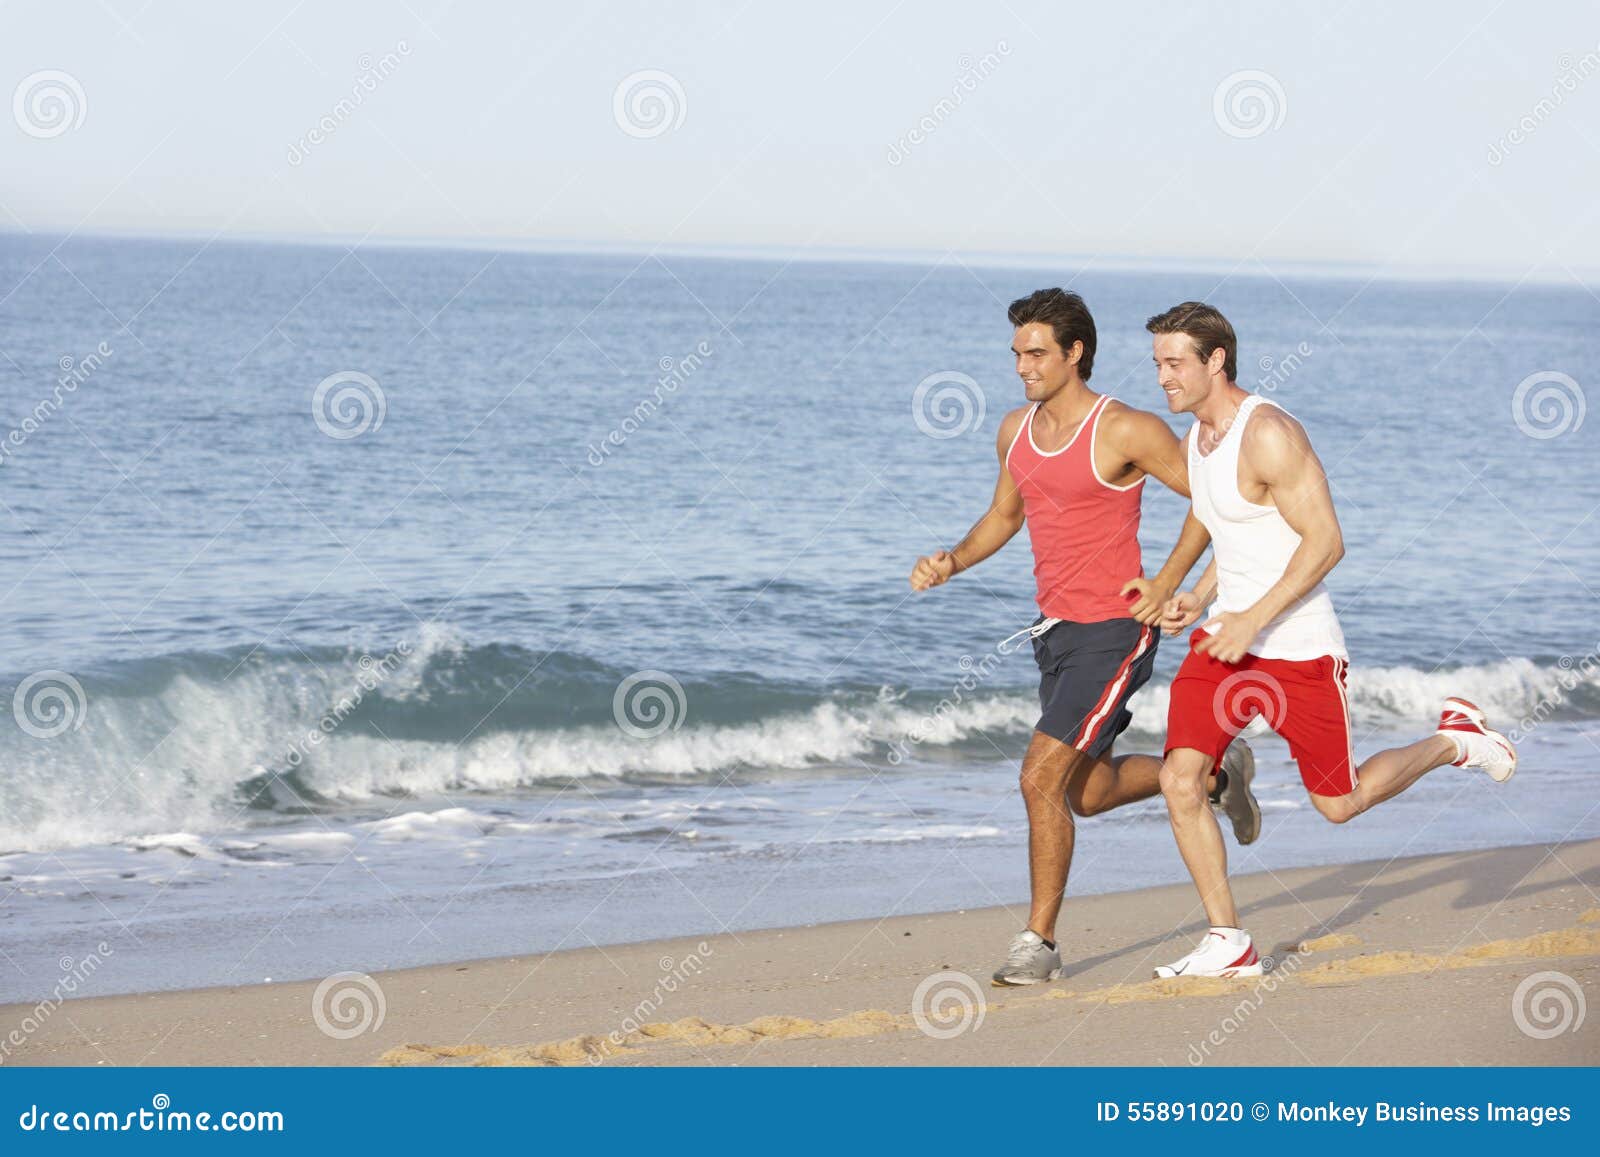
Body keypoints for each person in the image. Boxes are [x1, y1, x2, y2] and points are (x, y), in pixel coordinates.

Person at [1143, 302, 1517, 979]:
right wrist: (1198, 595)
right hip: (1227, 639)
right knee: (1179, 778)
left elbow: (1326, 542)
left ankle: (1456, 738)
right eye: (1158, 365)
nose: (1162, 377)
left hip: (1298, 647)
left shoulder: (1271, 434)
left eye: (1175, 363)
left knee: (1338, 803)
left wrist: (1255, 617)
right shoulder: (1197, 438)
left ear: (1216, 361)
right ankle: (1229, 940)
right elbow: (1239, 525)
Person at [909, 288, 1258, 987]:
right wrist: (952, 559)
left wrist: (1169, 584)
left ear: (1075, 353)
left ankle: (1039, 943)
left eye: (1036, 352)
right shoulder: (1015, 431)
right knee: (1084, 793)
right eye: (1016, 353)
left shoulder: (1123, 429)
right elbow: (1005, 515)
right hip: (1056, 634)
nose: (1022, 366)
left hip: (1115, 632)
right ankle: (1216, 775)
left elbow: (1217, 498)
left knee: (1038, 776)